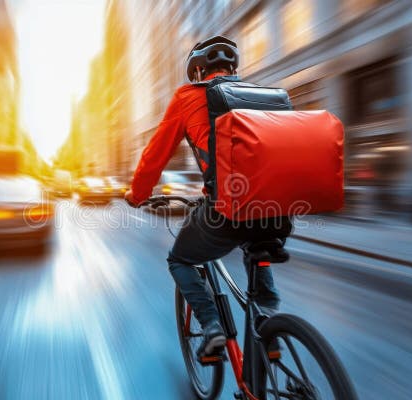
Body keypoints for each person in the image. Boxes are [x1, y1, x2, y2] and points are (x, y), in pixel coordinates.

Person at [124, 36, 292, 358]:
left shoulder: (188, 97)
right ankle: (269, 327)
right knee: (256, 245)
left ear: (199, 72)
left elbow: (154, 156)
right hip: (277, 209)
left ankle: (212, 327)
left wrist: (137, 195)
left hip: (225, 210)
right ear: (232, 69)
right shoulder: (259, 94)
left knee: (180, 259)